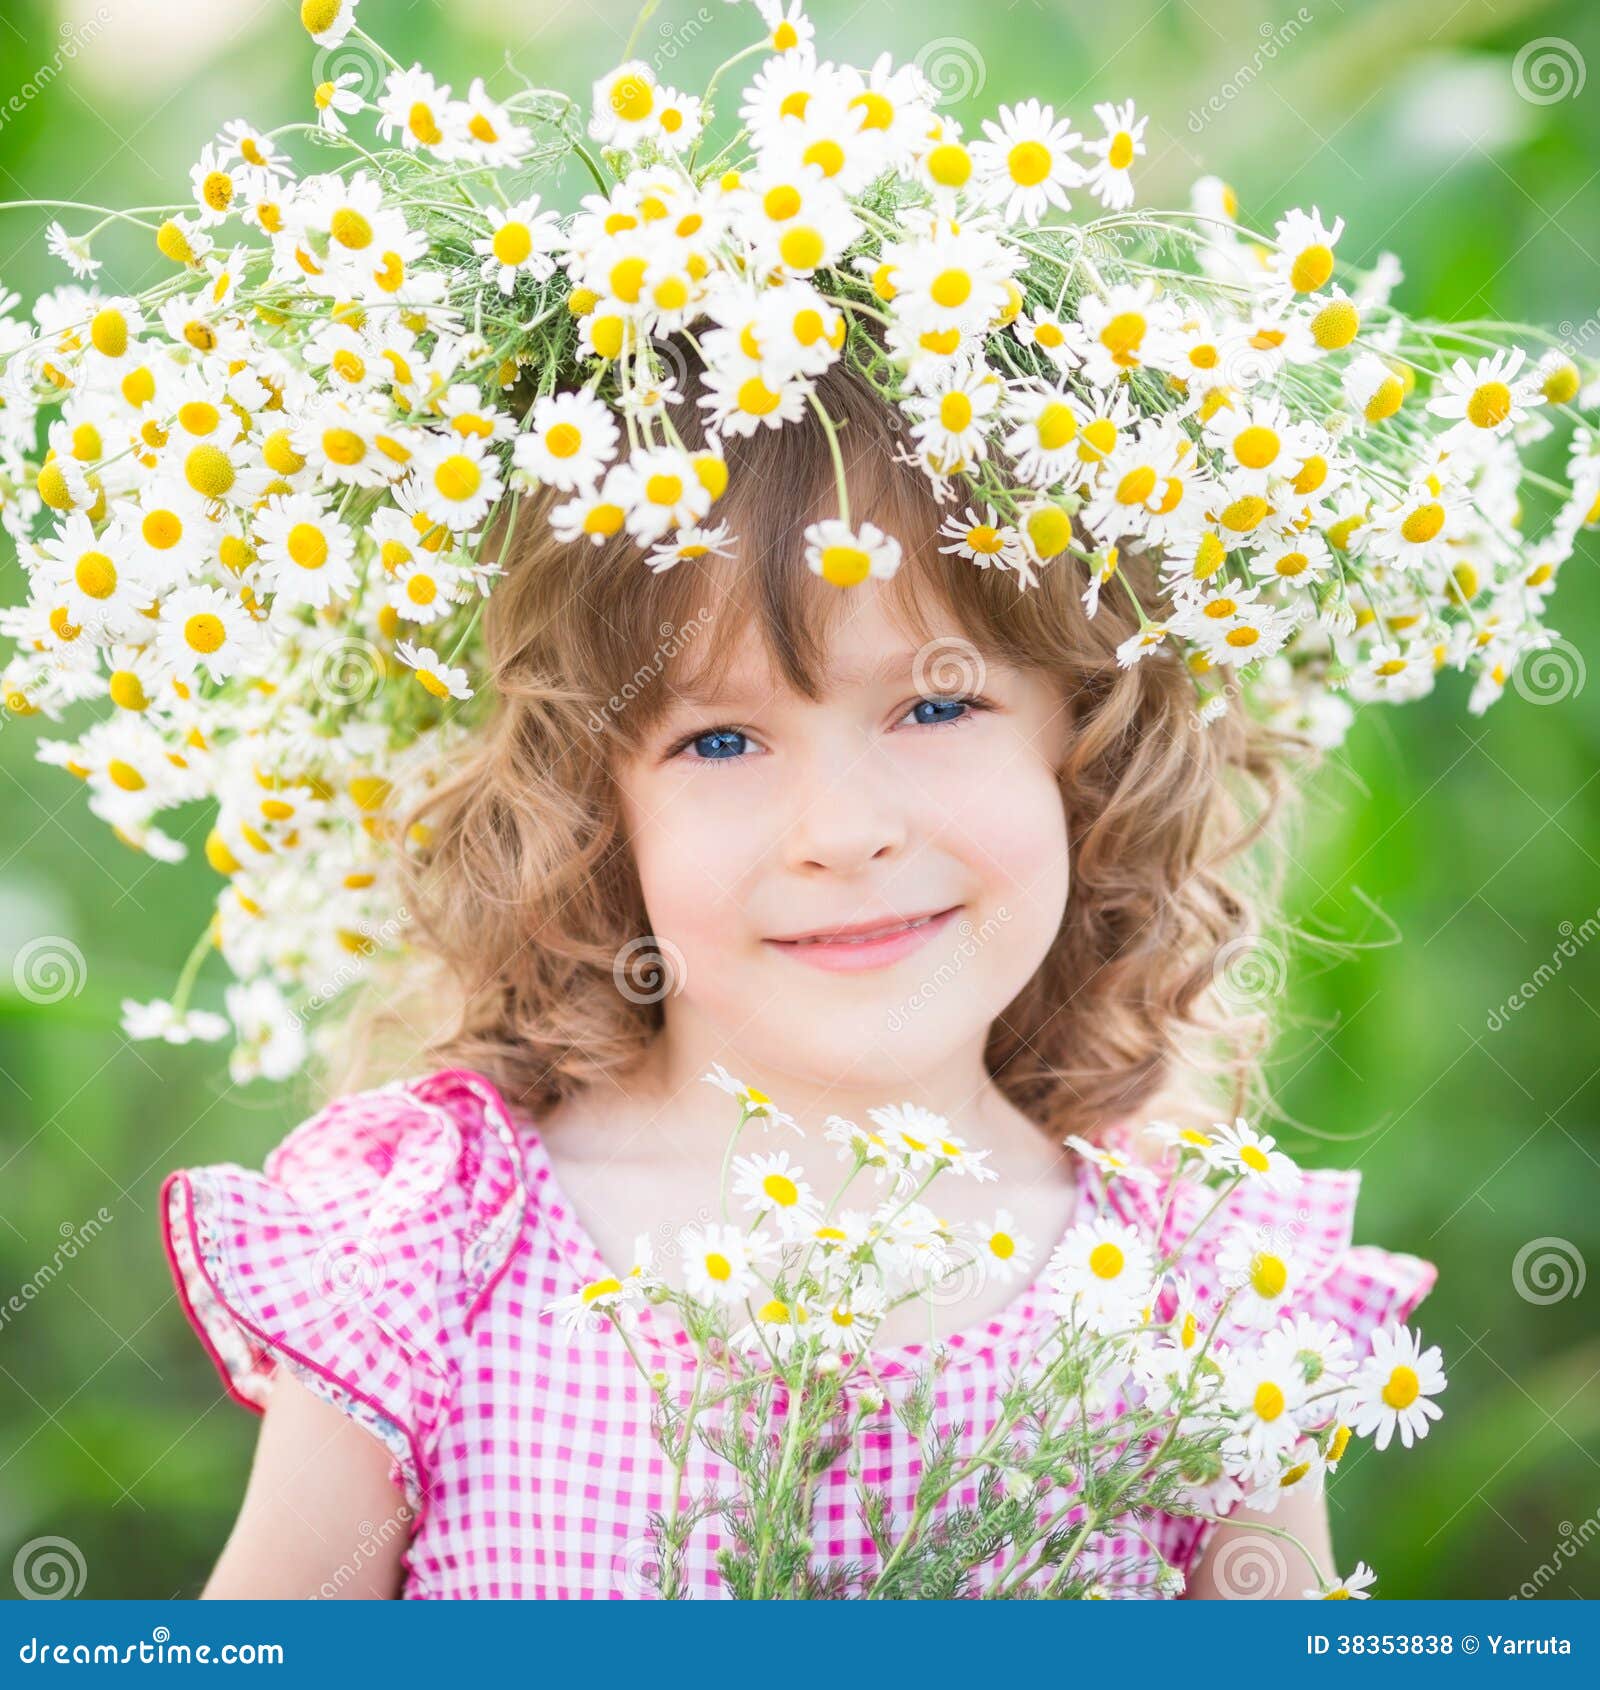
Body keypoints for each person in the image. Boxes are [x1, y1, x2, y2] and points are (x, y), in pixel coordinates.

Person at [160, 354, 1435, 1599]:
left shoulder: (1210, 1295)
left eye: (936, 707)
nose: (842, 828)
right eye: (720, 738)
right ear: (595, 817)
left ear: (1085, 743)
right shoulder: (439, 1249)